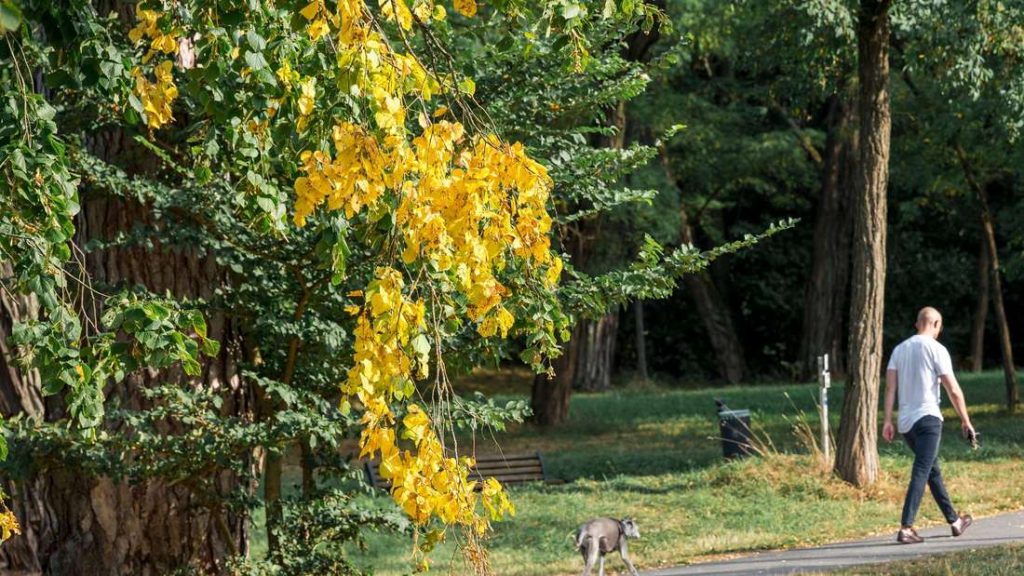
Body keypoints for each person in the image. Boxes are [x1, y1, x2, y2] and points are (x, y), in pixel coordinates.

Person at [882, 306, 974, 544]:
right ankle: (906, 527)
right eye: (939, 327)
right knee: (922, 470)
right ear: (935, 324)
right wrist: (965, 420)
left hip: (906, 423)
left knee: (932, 470)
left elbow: (890, 387)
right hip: (929, 419)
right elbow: (952, 389)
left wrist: (888, 420)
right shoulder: (937, 349)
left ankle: (954, 521)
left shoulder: (899, 350)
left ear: (917, 323)